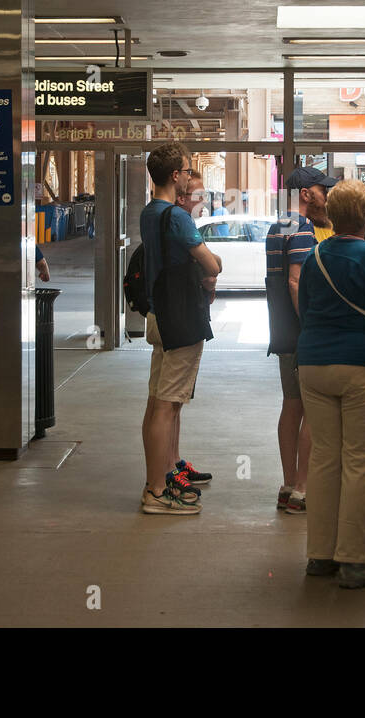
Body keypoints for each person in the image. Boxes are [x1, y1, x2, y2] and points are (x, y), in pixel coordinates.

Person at [296, 180, 365, 587]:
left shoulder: (315, 256)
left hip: (313, 363)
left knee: (324, 457)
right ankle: (355, 561)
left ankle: (319, 555)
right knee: (361, 459)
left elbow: (304, 311)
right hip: (363, 366)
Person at [139, 143, 222, 515]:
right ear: (175, 175)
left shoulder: (149, 213)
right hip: (181, 319)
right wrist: (210, 261)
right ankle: (157, 491)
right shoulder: (176, 217)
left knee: (158, 401)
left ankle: (163, 474)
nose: (189, 177)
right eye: (187, 171)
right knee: (168, 406)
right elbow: (212, 264)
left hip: (158, 315)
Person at [265, 166, 337, 515]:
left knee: (291, 405)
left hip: (280, 329)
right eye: (322, 188)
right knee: (310, 409)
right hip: (300, 331)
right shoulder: (303, 226)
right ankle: (303, 489)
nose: (326, 194)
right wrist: (311, 325)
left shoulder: (277, 225)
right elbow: (296, 281)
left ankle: (288, 483)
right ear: (306, 194)